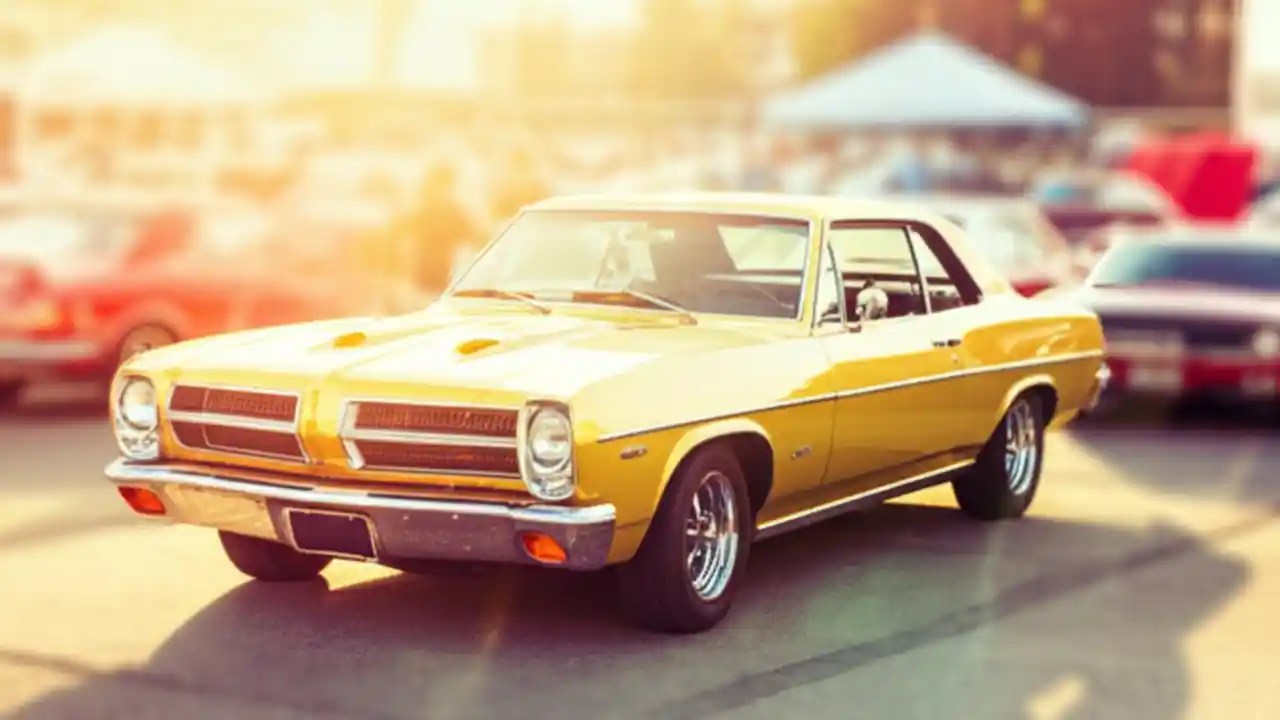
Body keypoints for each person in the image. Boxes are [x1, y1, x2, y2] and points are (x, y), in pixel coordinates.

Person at [405, 163, 481, 296]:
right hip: (423, 283)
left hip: (443, 283)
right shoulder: (422, 212)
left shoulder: (455, 213)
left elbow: (476, 241)